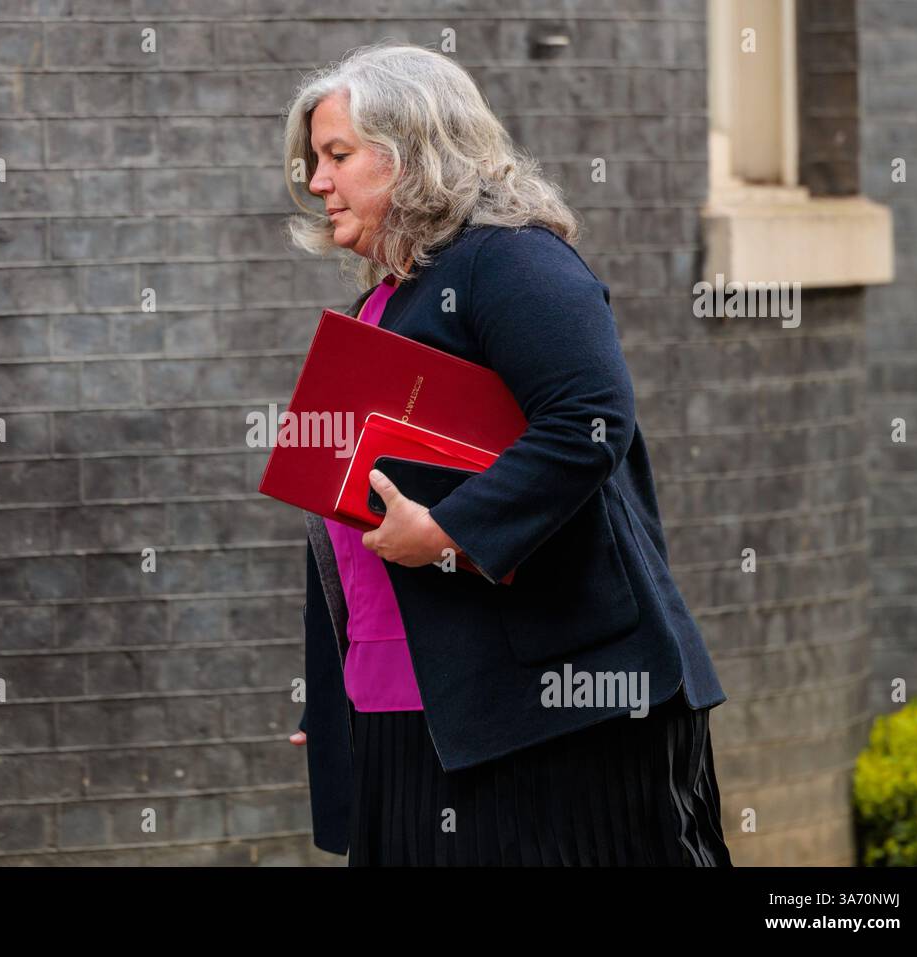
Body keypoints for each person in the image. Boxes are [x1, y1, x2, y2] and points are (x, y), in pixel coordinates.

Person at [280, 41, 733, 866]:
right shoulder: (377, 306)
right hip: (403, 714)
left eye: (337, 155)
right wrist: (330, 689)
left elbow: (589, 417)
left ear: (415, 151)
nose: (317, 181)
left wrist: (453, 534)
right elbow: (344, 527)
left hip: (556, 712)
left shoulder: (513, 259)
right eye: (316, 160)